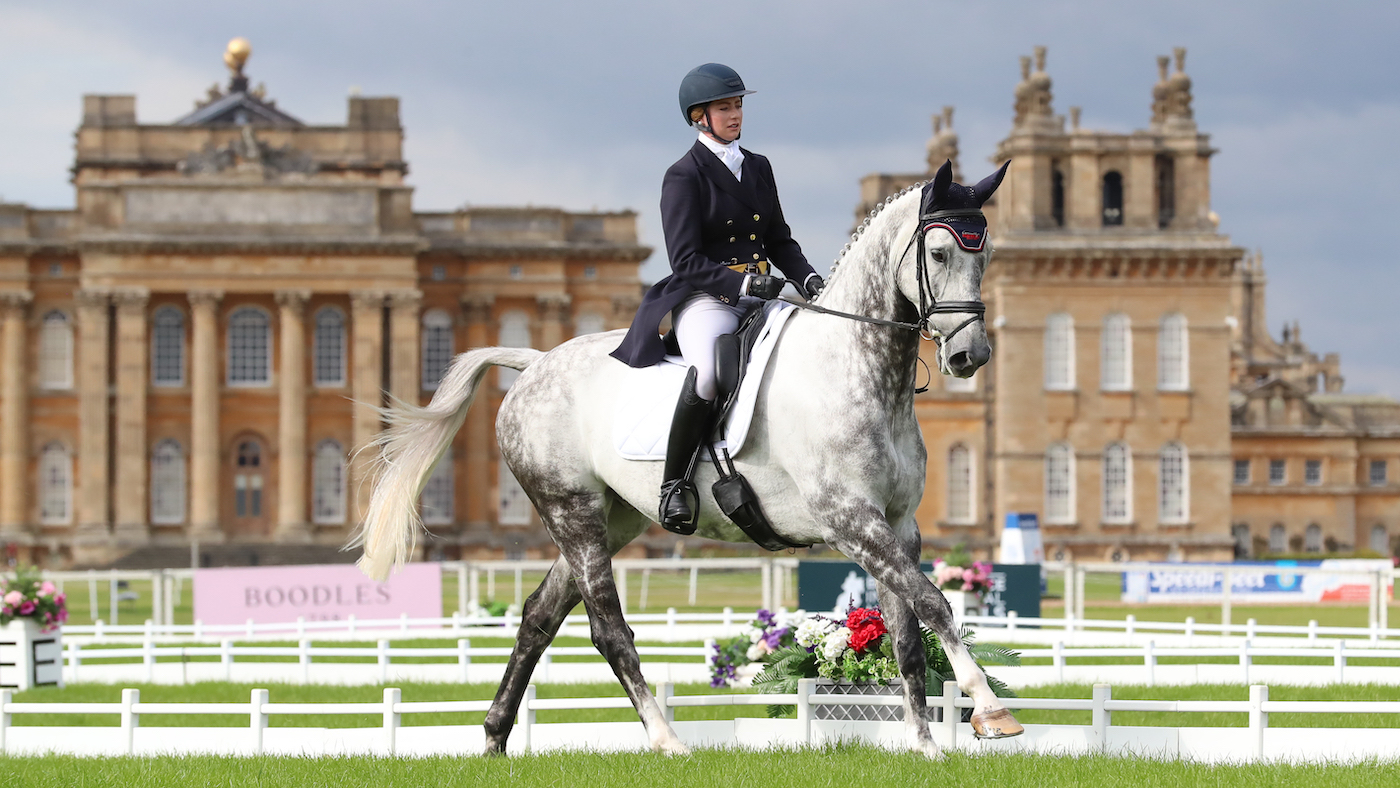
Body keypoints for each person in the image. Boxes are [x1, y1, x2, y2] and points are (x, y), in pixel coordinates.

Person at [610, 62, 825, 534]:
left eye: (739, 105)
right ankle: (674, 484)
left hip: (762, 294)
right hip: (705, 298)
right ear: (698, 116)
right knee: (708, 371)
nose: (735, 114)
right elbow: (685, 258)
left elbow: (779, 239)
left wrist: (808, 279)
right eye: (725, 107)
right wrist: (744, 285)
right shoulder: (683, 175)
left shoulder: (760, 166)